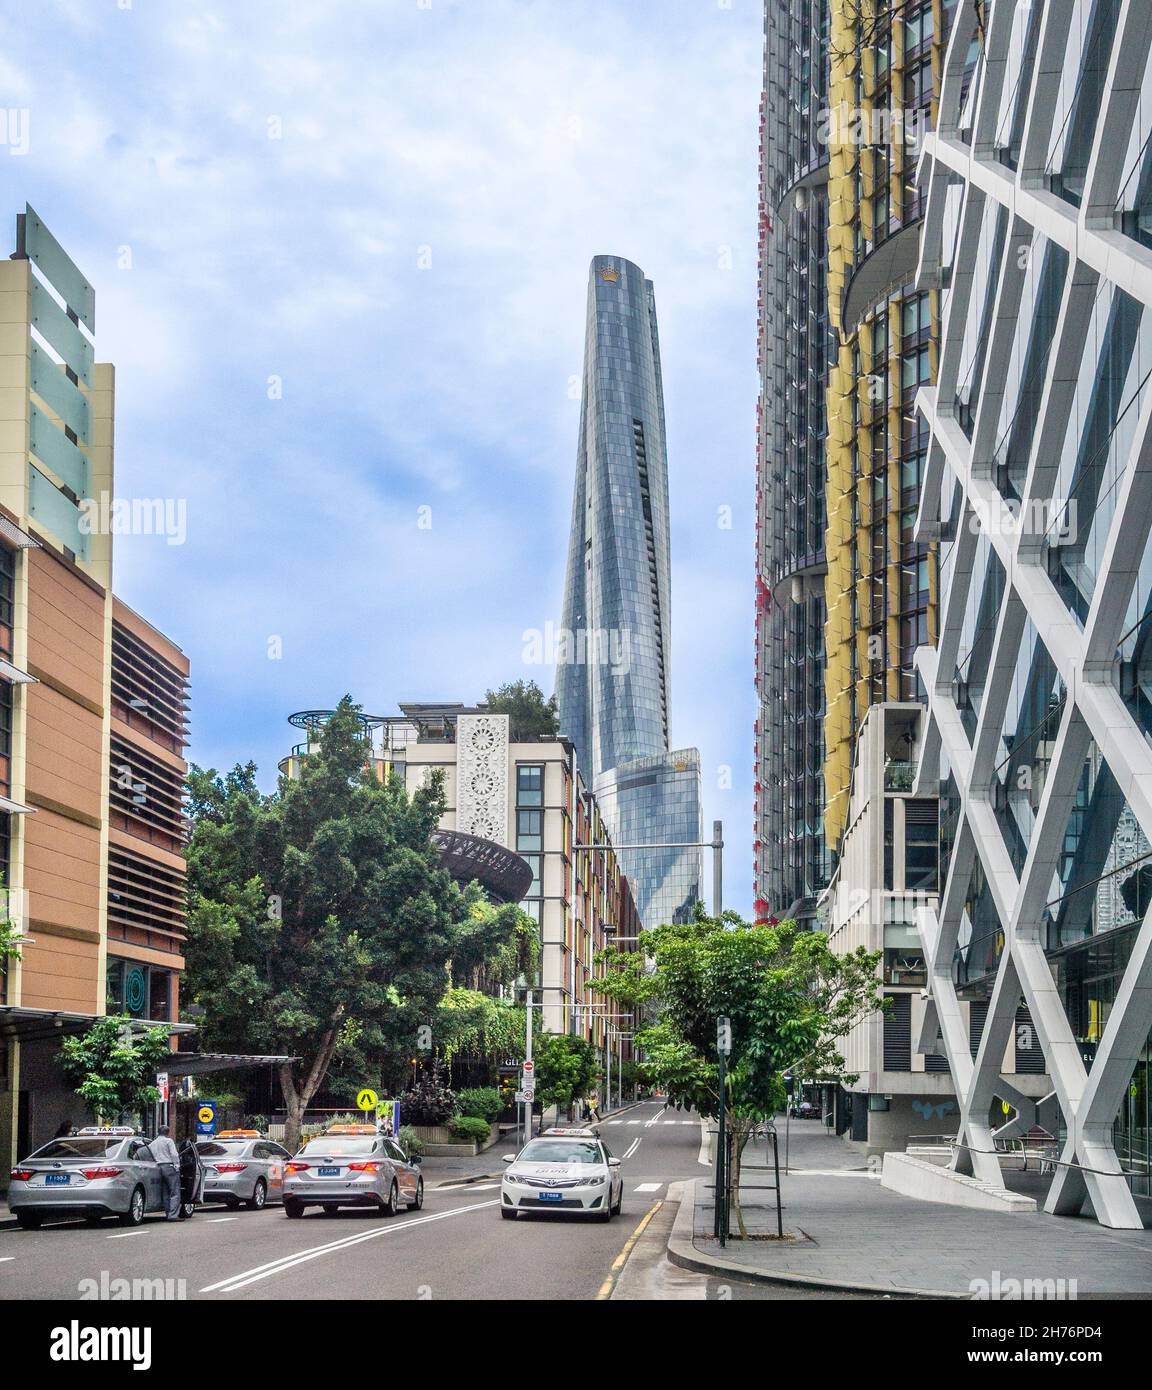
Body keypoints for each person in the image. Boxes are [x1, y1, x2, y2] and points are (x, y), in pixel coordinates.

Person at [151, 1125, 182, 1221]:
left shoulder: (152, 1143)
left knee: (165, 1192)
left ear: (158, 1132)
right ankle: (173, 1215)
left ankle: (168, 1213)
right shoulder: (169, 1141)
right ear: (168, 1133)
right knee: (174, 1192)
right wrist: (177, 1166)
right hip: (169, 1167)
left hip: (157, 1168)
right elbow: (174, 1154)